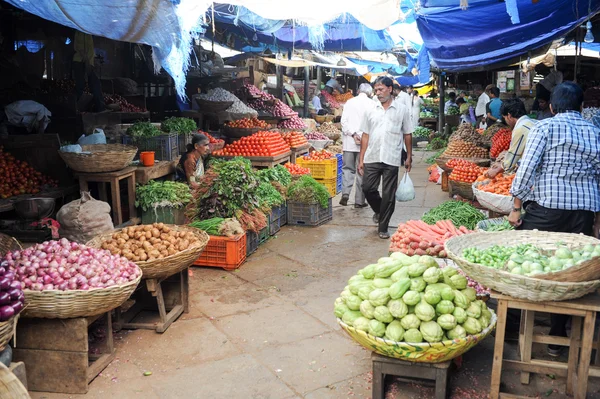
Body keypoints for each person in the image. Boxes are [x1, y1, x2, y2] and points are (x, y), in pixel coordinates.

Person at [509, 82, 600, 357]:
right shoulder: (594, 131)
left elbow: (527, 169)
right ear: (581, 106)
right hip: (583, 212)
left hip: (548, 209)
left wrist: (515, 206)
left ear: (550, 106)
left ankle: (516, 321)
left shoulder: (544, 127)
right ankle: (557, 331)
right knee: (570, 270)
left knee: (524, 258)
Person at [358, 76, 413, 239]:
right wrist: (361, 159)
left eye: (381, 89)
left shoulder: (402, 109)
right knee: (367, 188)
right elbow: (365, 135)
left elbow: (407, 134)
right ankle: (379, 211)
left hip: (392, 156)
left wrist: (409, 156)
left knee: (389, 195)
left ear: (390, 89)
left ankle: (383, 227)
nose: (378, 93)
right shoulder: (370, 109)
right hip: (372, 155)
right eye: (376, 90)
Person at [339, 83, 374, 208]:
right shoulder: (372, 104)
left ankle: (345, 194)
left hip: (349, 142)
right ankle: (359, 201)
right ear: (370, 93)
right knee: (361, 170)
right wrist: (362, 135)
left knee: (347, 169)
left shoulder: (349, 102)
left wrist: (353, 134)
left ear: (359, 91)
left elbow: (343, 122)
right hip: (365, 143)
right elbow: (372, 125)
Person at [486, 99, 536, 178]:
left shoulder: (520, 128)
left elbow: (514, 155)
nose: (505, 121)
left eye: (504, 118)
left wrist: (496, 170)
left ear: (509, 116)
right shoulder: (533, 122)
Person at [72, 30, 105, 112]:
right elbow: (80, 47)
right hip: (80, 60)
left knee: (94, 83)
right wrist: (86, 58)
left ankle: (99, 107)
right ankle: (81, 108)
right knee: (81, 84)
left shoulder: (88, 32)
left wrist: (90, 59)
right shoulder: (80, 31)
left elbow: (89, 48)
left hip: (89, 61)